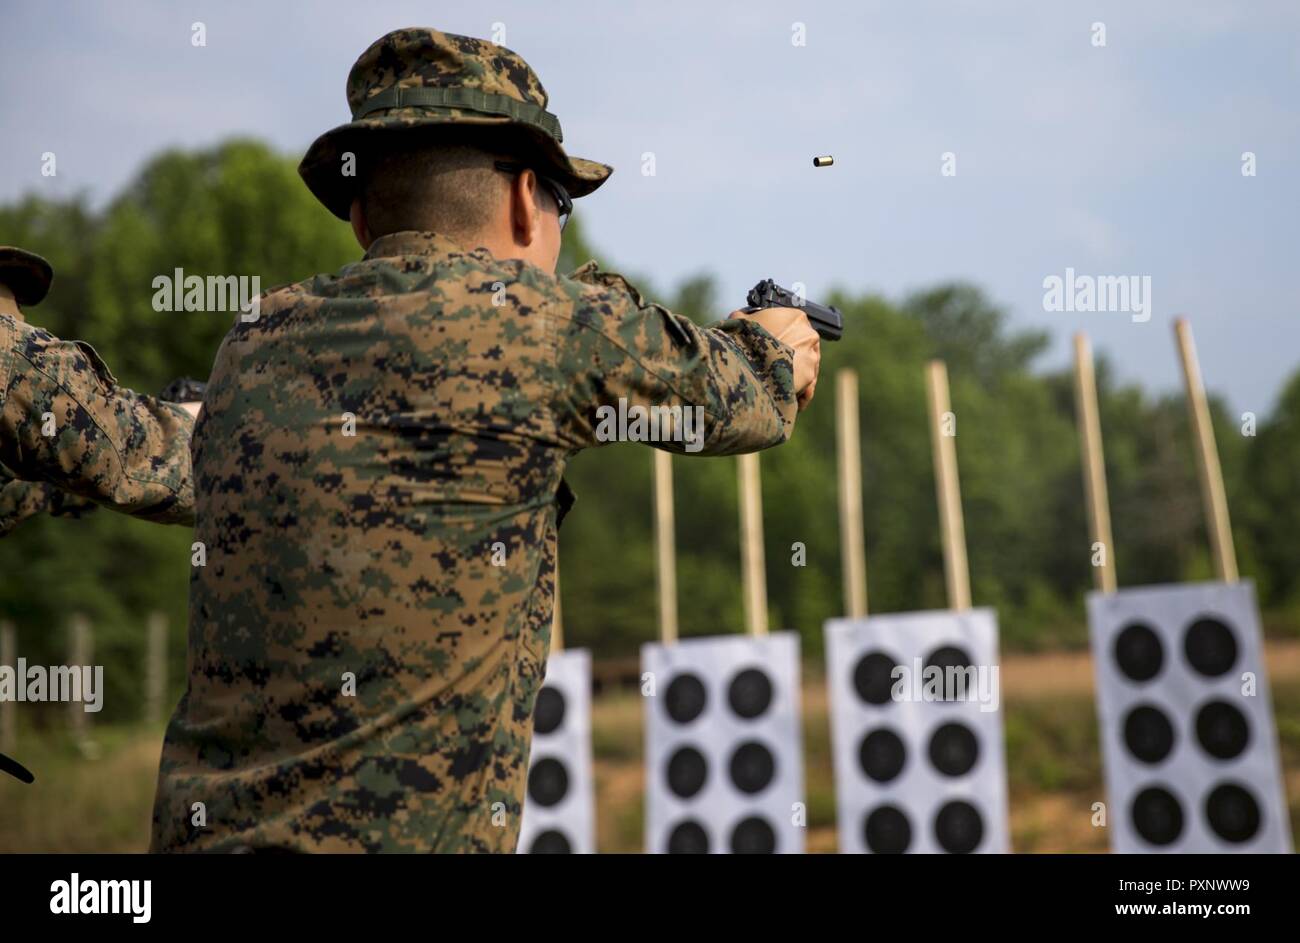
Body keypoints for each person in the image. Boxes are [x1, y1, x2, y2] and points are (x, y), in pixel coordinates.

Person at [4, 26, 821, 853]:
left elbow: (157, 448)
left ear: (359, 216)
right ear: (520, 197)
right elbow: (743, 399)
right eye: (559, 204)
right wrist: (776, 342)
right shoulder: (546, 327)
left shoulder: (252, 345)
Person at [0, 247, 198, 535]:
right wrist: (201, 424)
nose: (23, 321)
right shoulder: (9, 349)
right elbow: (126, 460)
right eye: (9, 303)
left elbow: (24, 487)